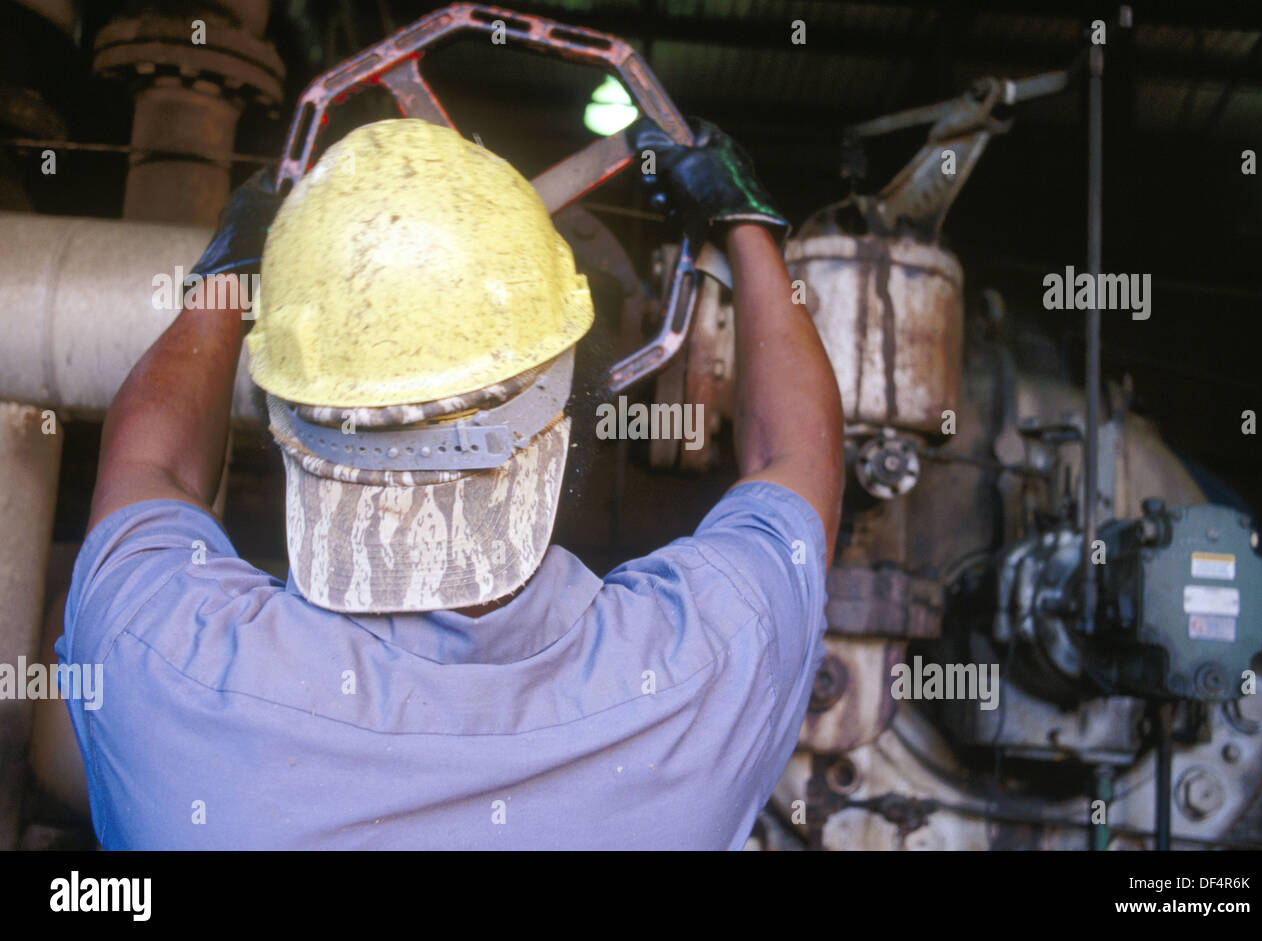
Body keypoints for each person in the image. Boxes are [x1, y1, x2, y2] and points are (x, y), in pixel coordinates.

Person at [57, 115, 843, 849]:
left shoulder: (157, 665)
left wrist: (227, 274)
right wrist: (743, 224)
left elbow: (147, 464)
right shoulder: (702, 671)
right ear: (565, 424)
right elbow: (795, 457)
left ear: (286, 431)